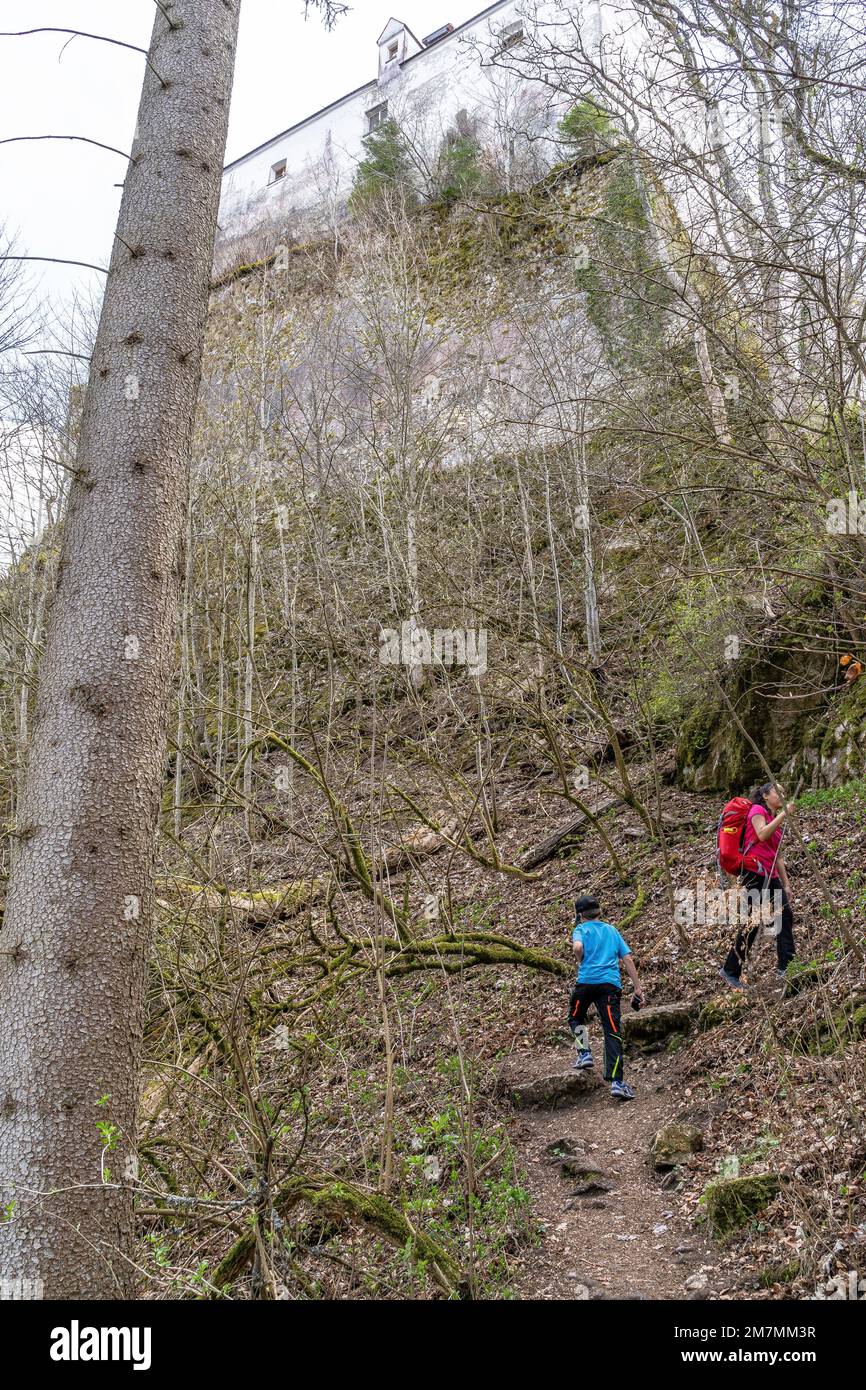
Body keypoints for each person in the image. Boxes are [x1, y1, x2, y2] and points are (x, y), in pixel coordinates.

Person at [568, 895, 646, 1102]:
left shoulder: (581, 930)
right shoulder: (612, 930)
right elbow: (627, 958)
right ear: (599, 912)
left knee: (576, 1017)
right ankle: (617, 1083)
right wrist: (637, 988)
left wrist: (581, 960)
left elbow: (577, 947)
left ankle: (584, 1053)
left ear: (579, 915)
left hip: (585, 983)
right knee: (612, 1031)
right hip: (609, 987)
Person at [719, 782, 796, 989]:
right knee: (752, 922)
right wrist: (784, 815)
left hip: (768, 874)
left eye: (784, 792)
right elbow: (762, 834)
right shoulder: (757, 810)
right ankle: (730, 970)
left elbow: (777, 855)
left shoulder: (773, 818)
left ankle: (787, 965)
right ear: (765, 795)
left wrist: (786, 884)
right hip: (753, 872)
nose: (782, 795)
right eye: (777, 791)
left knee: (783, 915)